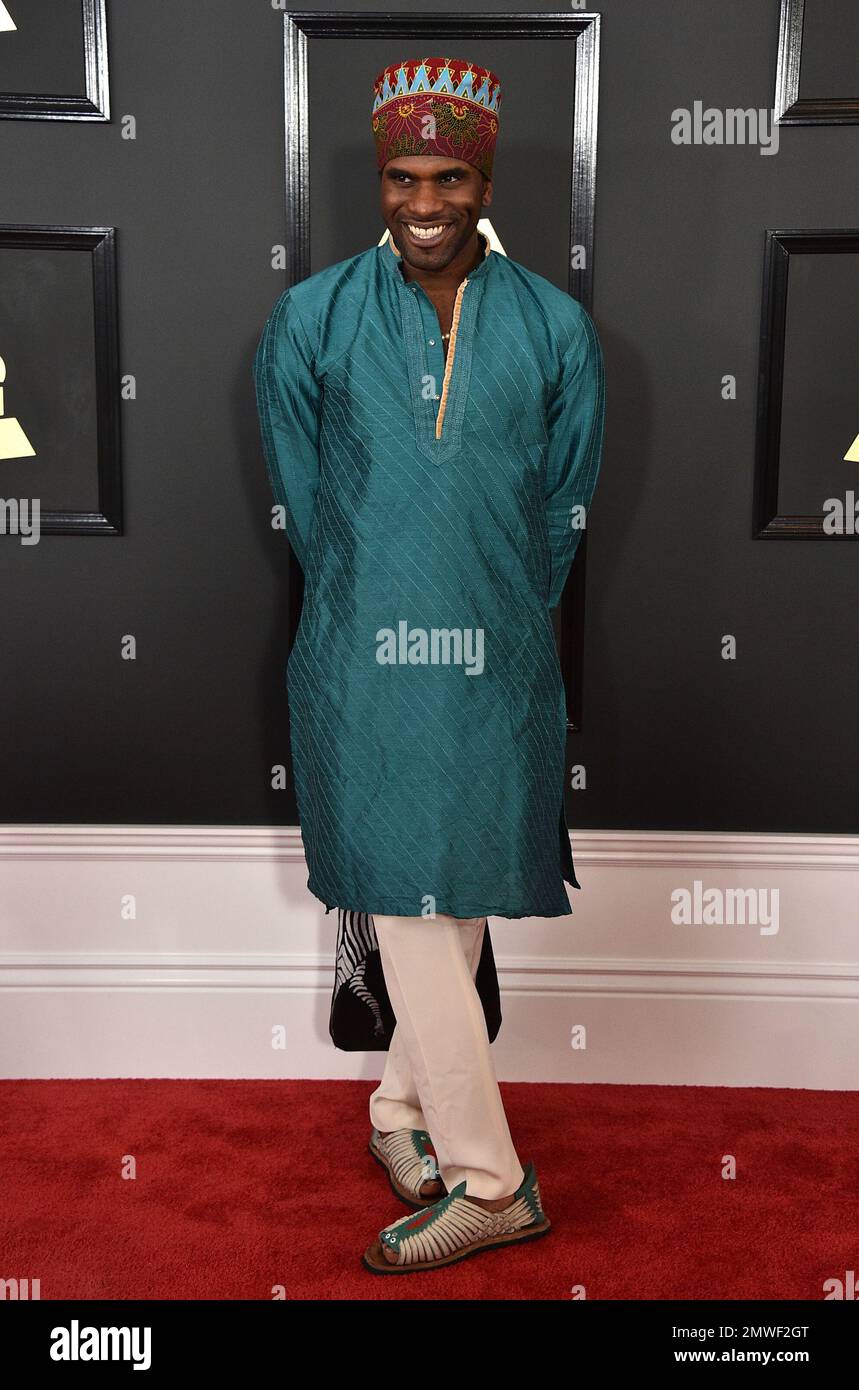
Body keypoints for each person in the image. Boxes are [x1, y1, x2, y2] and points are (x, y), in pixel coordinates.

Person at [253, 56, 606, 1273]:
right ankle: (490, 1178)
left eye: (447, 176)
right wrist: (383, 604)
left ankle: (408, 1115)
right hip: (360, 659)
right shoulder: (311, 318)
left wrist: (498, 621)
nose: (423, 201)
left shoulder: (556, 327)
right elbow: (306, 506)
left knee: (445, 904)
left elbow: (564, 506)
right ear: (381, 179)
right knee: (410, 899)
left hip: (499, 663)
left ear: (484, 178)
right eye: (403, 176)